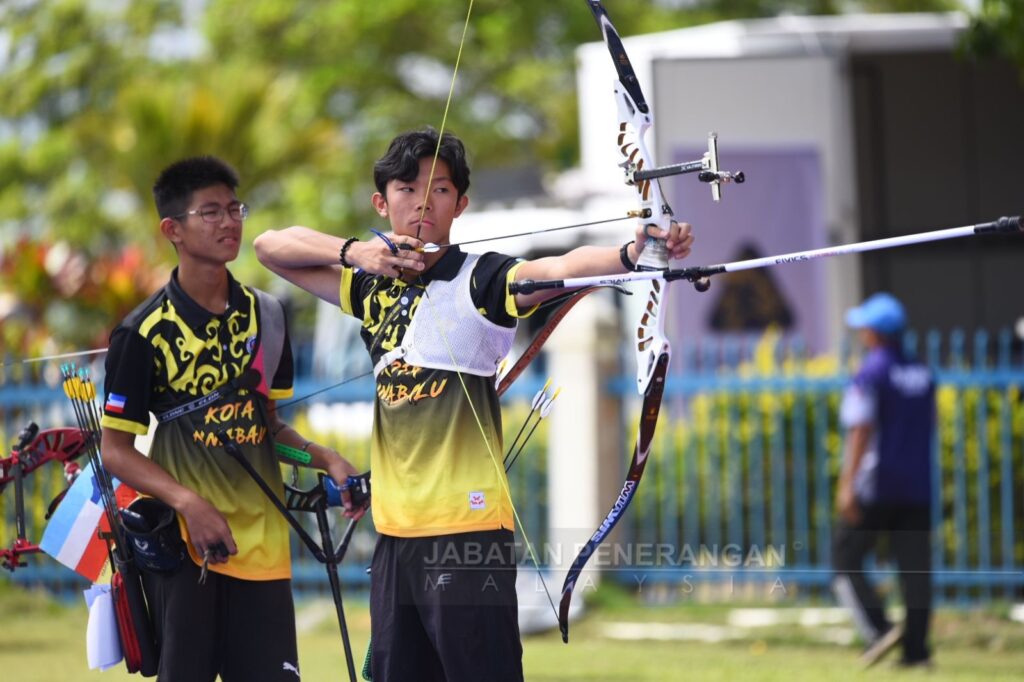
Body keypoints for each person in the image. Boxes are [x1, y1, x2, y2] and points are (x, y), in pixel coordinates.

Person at [254, 128, 694, 681]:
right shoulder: (370, 289)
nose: (421, 202)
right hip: (394, 535)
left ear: (461, 204)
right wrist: (356, 253)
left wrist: (633, 252)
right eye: (407, 188)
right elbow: (269, 247)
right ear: (381, 201)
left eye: (439, 190)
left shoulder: (482, 279)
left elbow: (555, 269)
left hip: (466, 536)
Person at [100, 156, 362, 681]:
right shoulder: (141, 333)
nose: (229, 222)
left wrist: (323, 457)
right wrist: (188, 503)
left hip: (263, 550)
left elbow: (267, 430)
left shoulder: (268, 316)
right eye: (210, 212)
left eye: (234, 209)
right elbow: (116, 451)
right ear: (171, 230)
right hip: (186, 552)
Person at [832, 292, 935, 669]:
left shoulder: (871, 373)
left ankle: (879, 628)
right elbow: (931, 423)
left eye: (865, 328)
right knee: (916, 571)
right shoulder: (922, 372)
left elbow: (861, 430)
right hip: (917, 486)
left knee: (844, 558)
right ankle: (917, 653)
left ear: (875, 334)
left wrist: (847, 485)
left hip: (876, 486)